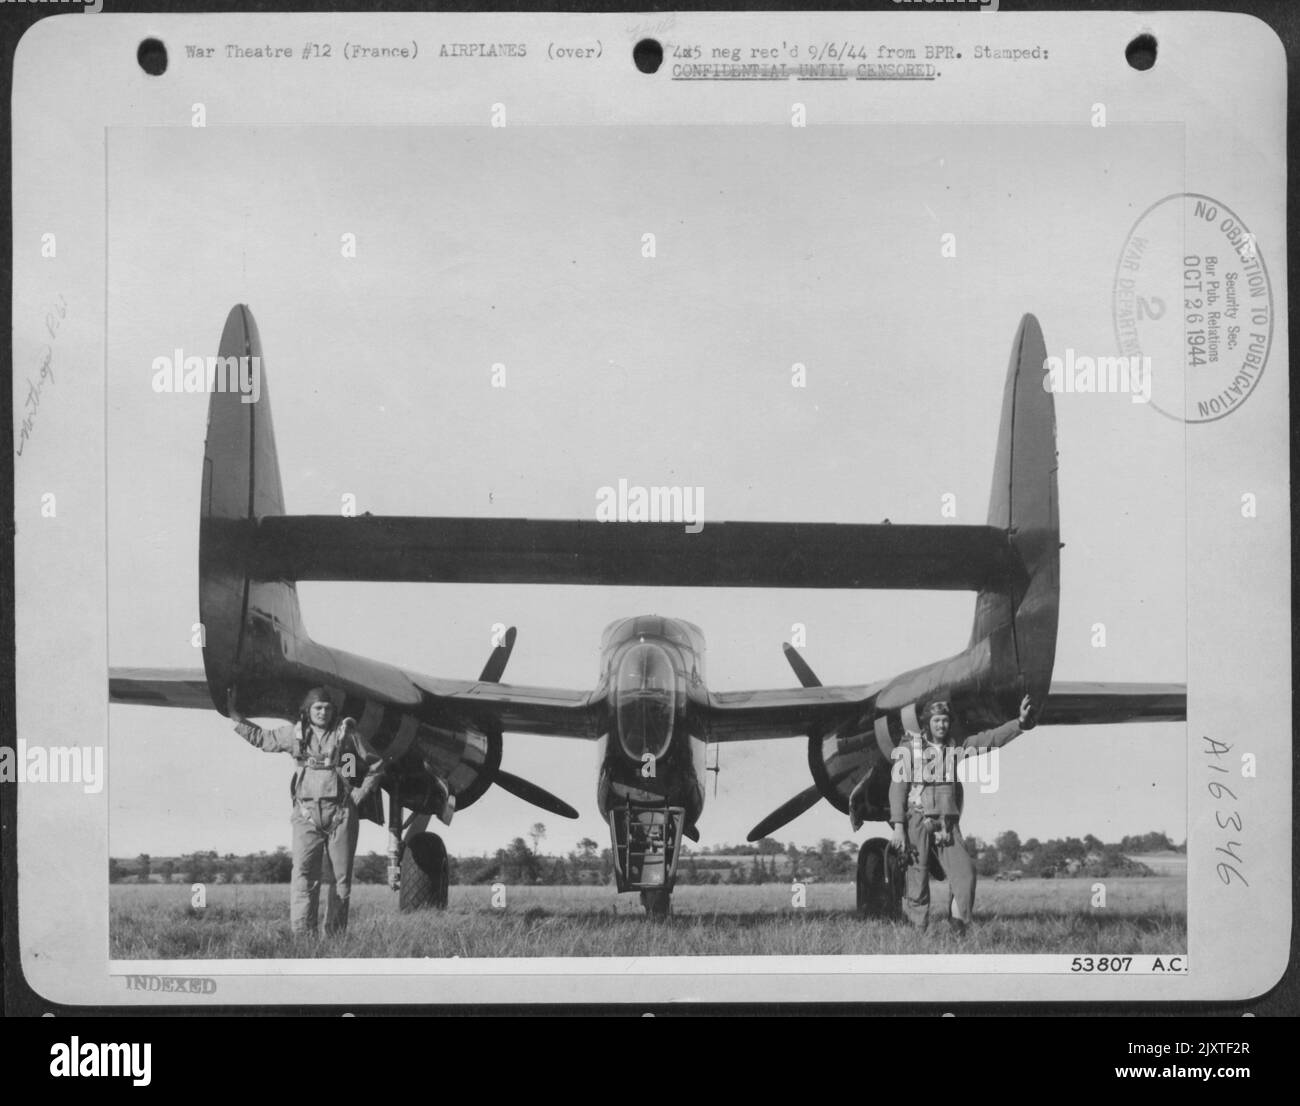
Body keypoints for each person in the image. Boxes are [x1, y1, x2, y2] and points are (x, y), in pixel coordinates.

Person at [227, 686, 386, 936]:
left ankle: (334, 937)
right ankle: (303, 937)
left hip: (341, 814)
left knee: (341, 880)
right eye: (317, 708)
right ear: (308, 711)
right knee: (303, 876)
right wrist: (237, 718)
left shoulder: (347, 735)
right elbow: (263, 739)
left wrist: (360, 793)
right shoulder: (295, 735)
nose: (322, 712)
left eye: (327, 708)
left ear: (333, 711)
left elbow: (376, 764)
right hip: (306, 816)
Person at [886, 694, 1037, 934]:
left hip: (947, 824)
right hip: (918, 820)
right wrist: (898, 827)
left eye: (945, 720)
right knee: (918, 878)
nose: (941, 725)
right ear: (927, 722)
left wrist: (1019, 723)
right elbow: (898, 787)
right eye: (936, 720)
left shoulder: (956, 748)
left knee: (965, 875)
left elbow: (989, 739)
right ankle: (917, 934)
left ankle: (958, 931)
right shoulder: (909, 749)